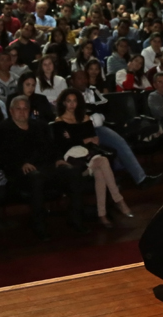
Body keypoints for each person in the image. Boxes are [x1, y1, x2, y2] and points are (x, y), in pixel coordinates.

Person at [0, 95, 87, 239]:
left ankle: (75, 219)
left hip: (46, 167)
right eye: (18, 109)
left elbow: (52, 146)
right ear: (11, 111)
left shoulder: (40, 126)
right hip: (20, 172)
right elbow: (3, 155)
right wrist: (21, 164)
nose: (22, 112)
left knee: (72, 172)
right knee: (36, 177)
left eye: (25, 108)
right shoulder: (3, 129)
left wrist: (58, 159)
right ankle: (39, 225)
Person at [52, 89, 132, 229]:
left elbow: (93, 140)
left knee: (101, 168)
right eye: (68, 101)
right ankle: (118, 201)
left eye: (74, 101)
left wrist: (78, 139)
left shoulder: (85, 118)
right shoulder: (59, 122)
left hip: (90, 155)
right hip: (74, 159)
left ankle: (102, 214)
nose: (71, 104)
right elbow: (65, 145)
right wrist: (84, 140)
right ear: (63, 103)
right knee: (102, 163)